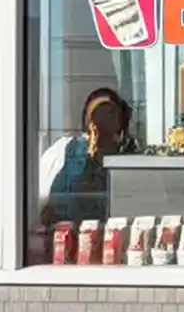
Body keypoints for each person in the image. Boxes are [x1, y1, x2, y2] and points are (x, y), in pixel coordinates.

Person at [35, 88, 139, 259]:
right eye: (99, 112)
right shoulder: (64, 150)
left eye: (110, 112)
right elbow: (39, 200)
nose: (104, 118)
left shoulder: (127, 159)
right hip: (65, 248)